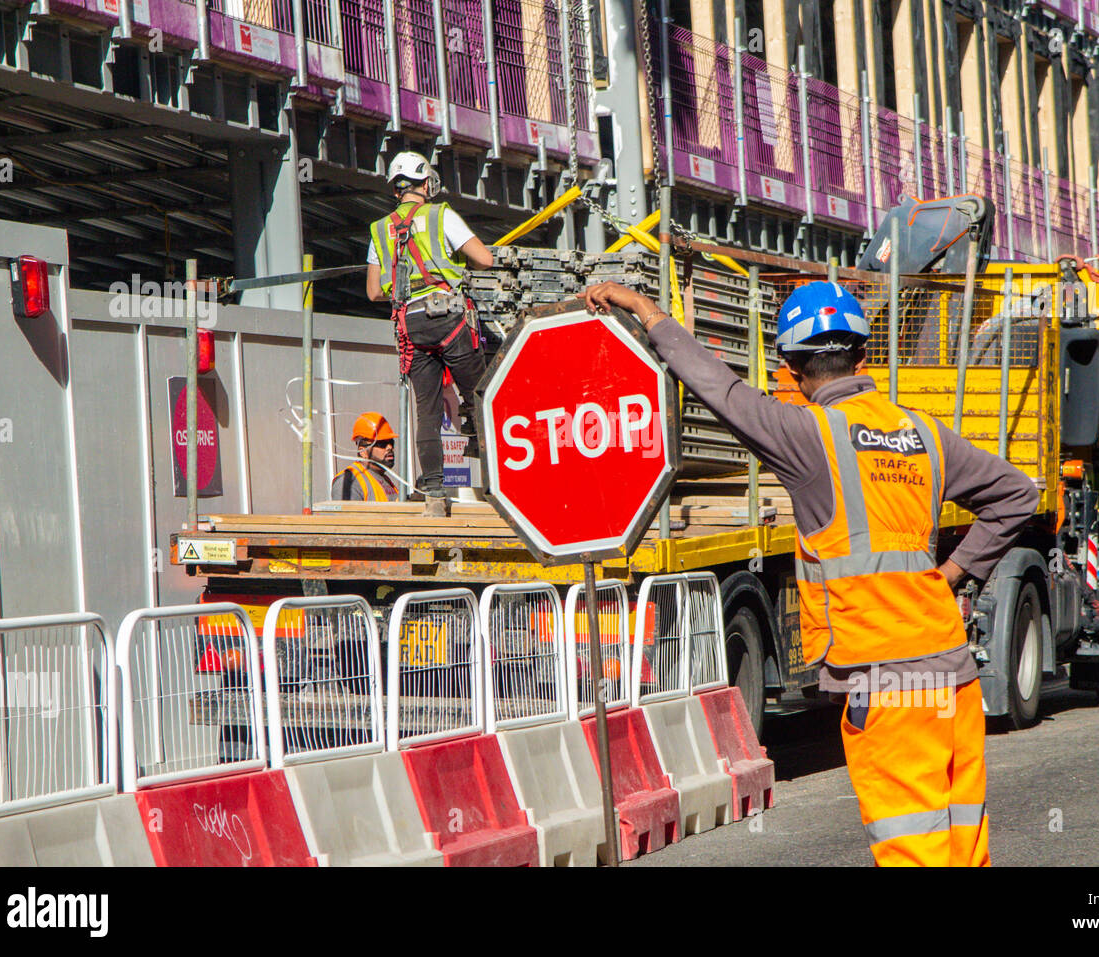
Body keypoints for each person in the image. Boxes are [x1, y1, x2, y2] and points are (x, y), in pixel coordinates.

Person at [580, 278, 1039, 867]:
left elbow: (720, 390)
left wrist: (648, 312)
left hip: (886, 679)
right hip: (953, 673)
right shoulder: (923, 435)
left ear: (791, 368)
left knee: (913, 845)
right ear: (865, 355)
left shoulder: (808, 436)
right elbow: (1016, 495)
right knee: (962, 842)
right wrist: (951, 572)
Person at [367, 151, 494, 516]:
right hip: (449, 318)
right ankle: (502, 482)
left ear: (395, 190)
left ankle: (434, 495)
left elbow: (375, 292)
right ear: (426, 183)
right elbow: (484, 259)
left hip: (411, 325)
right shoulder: (441, 215)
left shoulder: (379, 229)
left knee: (427, 410)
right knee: (482, 398)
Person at [332, 412, 398, 502]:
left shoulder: (383, 479)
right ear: (363, 452)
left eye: (391, 442)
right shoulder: (349, 481)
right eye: (382, 444)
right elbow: (348, 516)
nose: (389, 447)